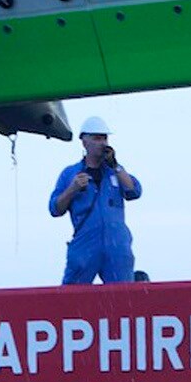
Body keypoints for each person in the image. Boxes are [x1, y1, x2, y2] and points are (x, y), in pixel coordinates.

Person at [48, 115, 143, 285]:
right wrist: (72, 189)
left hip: (117, 245)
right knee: (72, 299)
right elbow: (55, 209)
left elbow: (134, 191)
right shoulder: (70, 173)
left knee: (125, 298)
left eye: (104, 138)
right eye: (97, 138)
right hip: (85, 245)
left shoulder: (116, 172)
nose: (103, 143)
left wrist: (115, 166)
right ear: (85, 142)